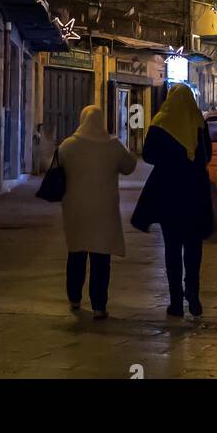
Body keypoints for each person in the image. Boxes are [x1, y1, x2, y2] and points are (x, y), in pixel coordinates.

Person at [131, 83, 213, 318]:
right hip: (195, 194)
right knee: (194, 248)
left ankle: (176, 302)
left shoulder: (161, 121)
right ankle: (194, 297)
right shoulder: (198, 120)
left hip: (169, 195)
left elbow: (147, 154)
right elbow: (208, 154)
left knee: (172, 248)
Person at [58, 104, 137, 320]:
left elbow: (57, 165)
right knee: (101, 259)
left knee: (76, 254)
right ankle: (99, 306)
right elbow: (130, 166)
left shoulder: (68, 145)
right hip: (104, 211)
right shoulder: (112, 146)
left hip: (76, 210)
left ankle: (74, 298)